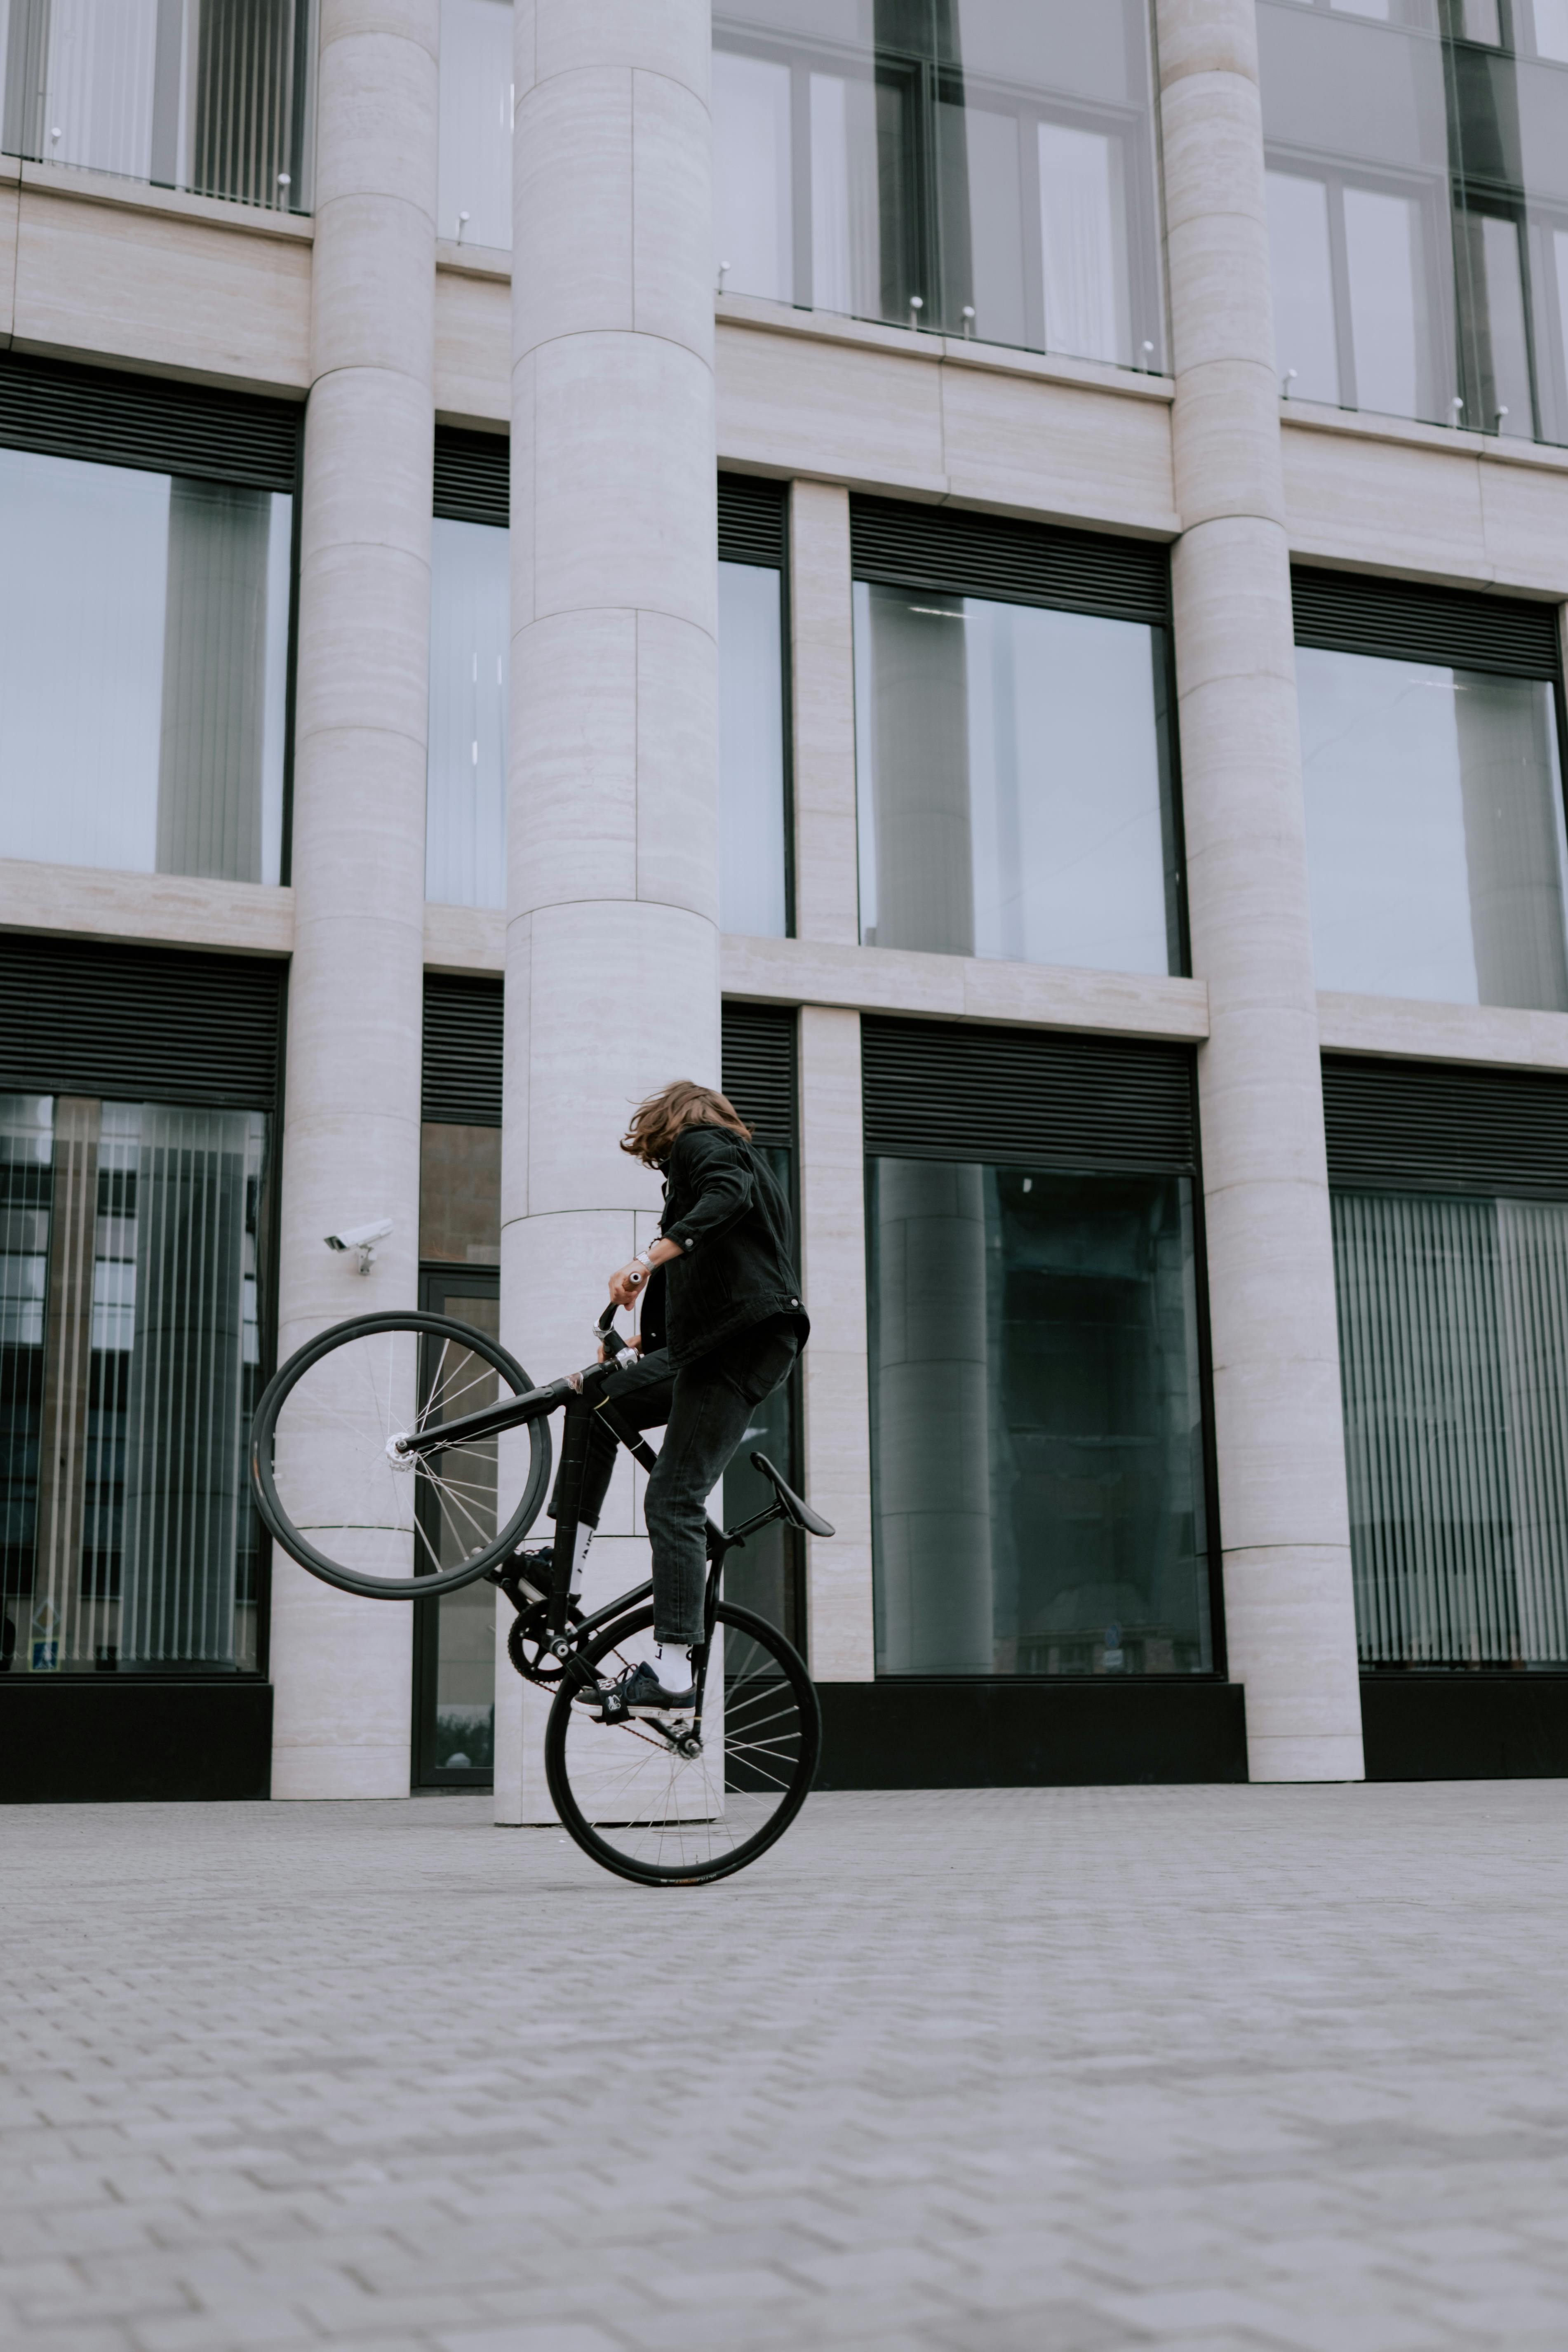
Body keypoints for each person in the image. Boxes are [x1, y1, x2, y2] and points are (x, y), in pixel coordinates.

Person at [546, 1079, 809, 1715]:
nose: (661, 1161)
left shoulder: (707, 1144)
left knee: (673, 1496)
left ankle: (670, 1667)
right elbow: (694, 1289)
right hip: (718, 1343)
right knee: (598, 1401)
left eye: (657, 1149)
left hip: (742, 1342)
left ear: (672, 1124)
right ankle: (562, 1574)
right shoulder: (705, 1172)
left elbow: (726, 1196)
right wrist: (636, 1345)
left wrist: (645, 1259)